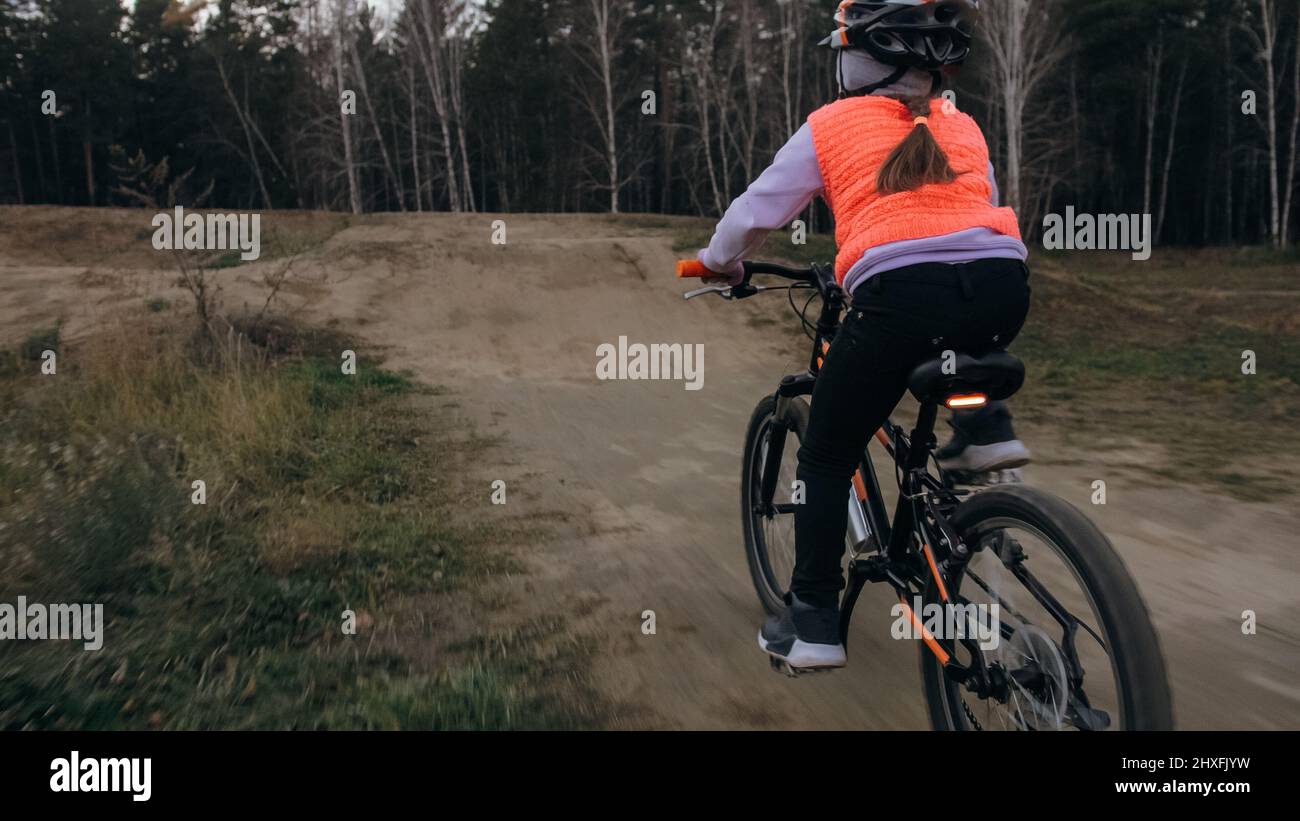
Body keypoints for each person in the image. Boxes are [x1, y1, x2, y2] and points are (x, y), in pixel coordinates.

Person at [693, 0, 1032, 670]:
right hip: (1001, 287)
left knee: (826, 453)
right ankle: (989, 433)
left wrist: (718, 262)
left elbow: (753, 210)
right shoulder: (959, 122)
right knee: (954, 341)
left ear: (864, 57)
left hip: (899, 301)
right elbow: (970, 213)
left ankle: (814, 618)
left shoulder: (832, 124)